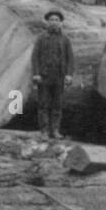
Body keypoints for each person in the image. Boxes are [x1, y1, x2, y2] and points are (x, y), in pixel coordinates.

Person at [32, 9, 75, 140]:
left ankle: (55, 130)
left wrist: (69, 74)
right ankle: (44, 131)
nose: (54, 22)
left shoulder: (65, 39)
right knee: (43, 104)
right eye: (51, 20)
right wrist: (36, 74)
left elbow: (70, 58)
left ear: (61, 22)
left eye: (57, 20)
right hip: (44, 76)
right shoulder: (41, 38)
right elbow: (35, 57)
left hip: (59, 76)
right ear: (47, 22)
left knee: (57, 105)